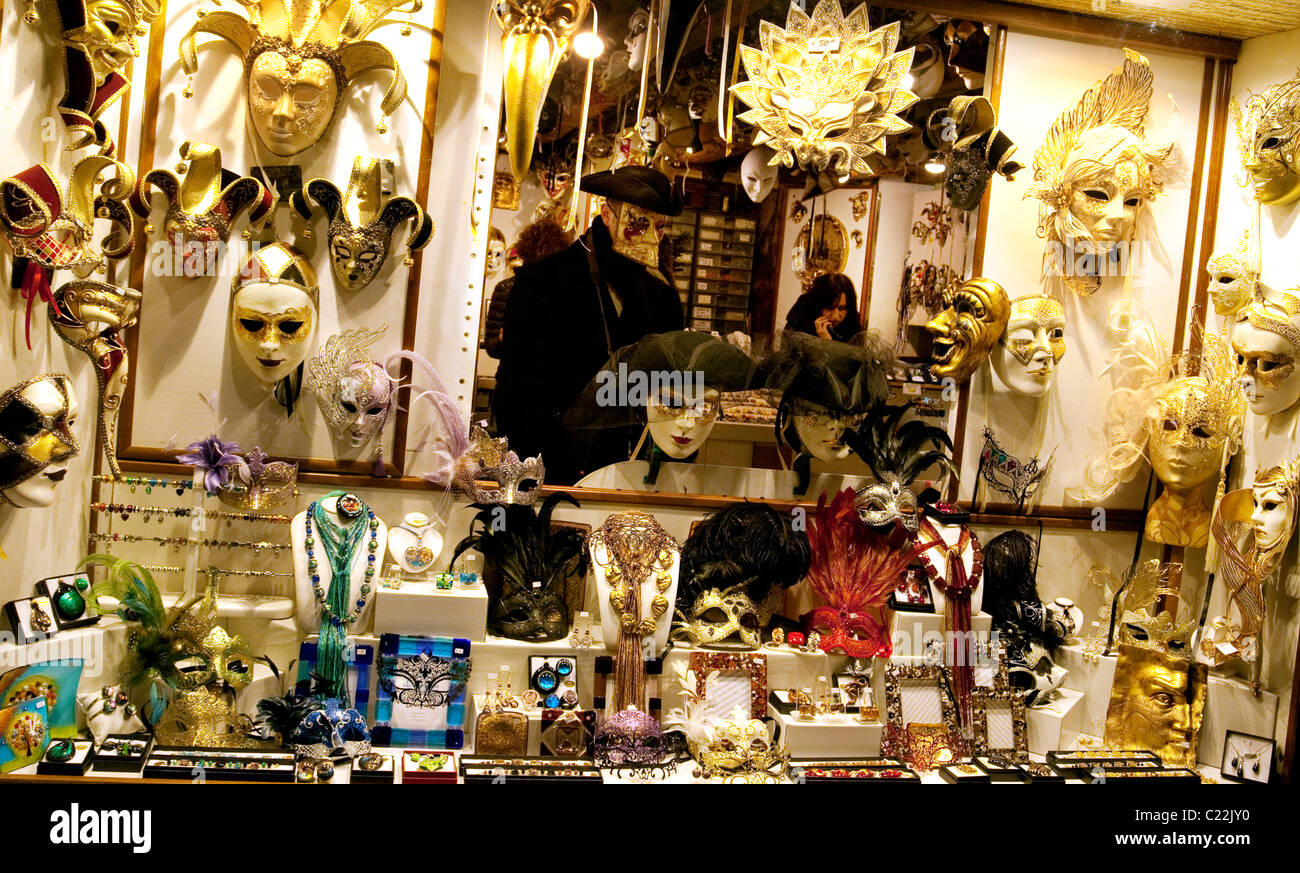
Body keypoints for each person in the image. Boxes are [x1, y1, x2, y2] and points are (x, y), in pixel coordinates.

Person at [494, 165, 685, 484]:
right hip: (552, 475)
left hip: (632, 478)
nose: (652, 237)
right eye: (638, 224)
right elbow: (514, 395)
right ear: (607, 215)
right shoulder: (541, 284)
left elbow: (669, 394)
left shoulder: (663, 300)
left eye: (661, 226)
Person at [483, 219, 573, 358]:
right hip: (518, 373)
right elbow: (491, 346)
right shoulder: (506, 288)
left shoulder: (567, 290)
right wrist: (503, 339)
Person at [784, 272, 860, 342]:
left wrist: (827, 343)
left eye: (841, 308)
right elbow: (787, 352)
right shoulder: (801, 315)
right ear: (818, 305)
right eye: (829, 308)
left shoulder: (852, 323)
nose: (836, 316)